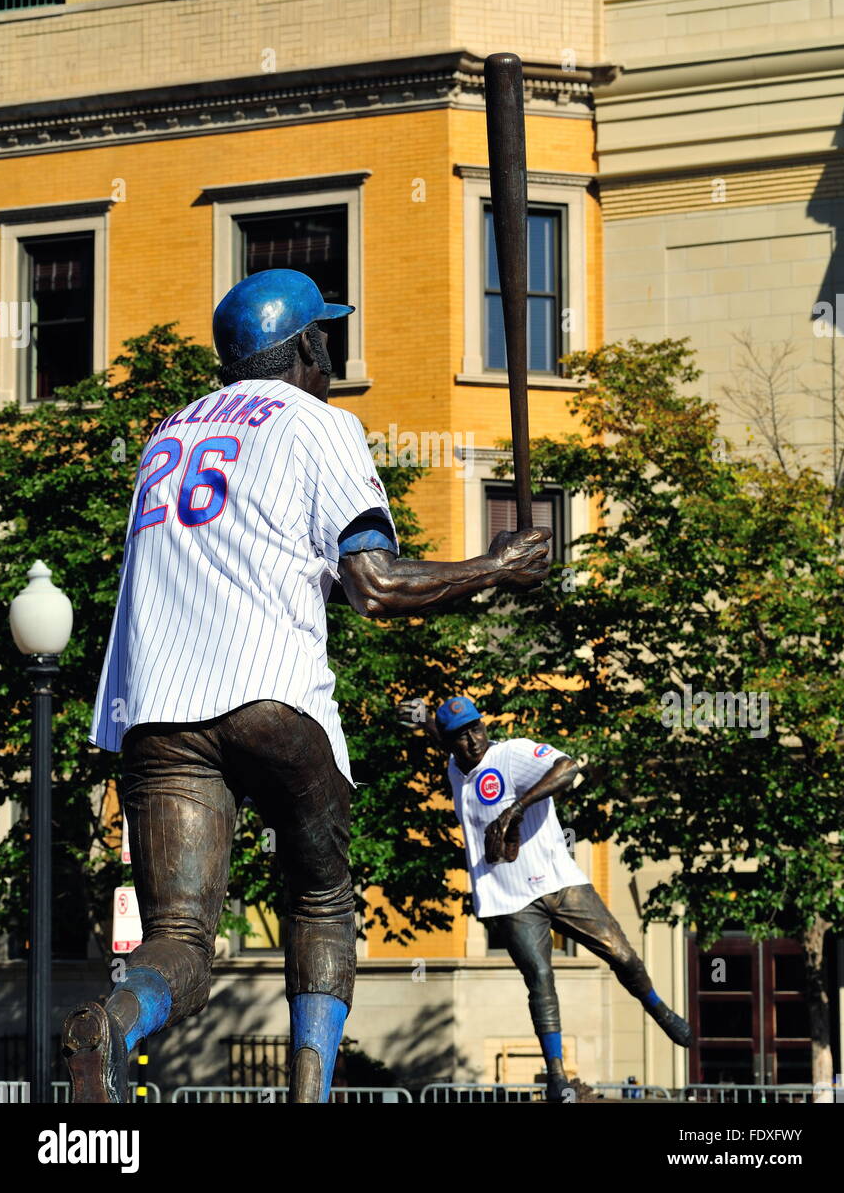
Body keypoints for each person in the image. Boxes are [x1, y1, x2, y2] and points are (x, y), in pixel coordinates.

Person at [62, 268, 552, 1104]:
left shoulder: (165, 434)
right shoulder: (317, 422)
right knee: (322, 891)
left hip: (154, 714)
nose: (333, 352)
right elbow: (377, 586)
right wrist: (496, 569)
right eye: (327, 337)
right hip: (269, 697)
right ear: (305, 349)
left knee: (180, 936)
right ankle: (309, 1097)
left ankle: (114, 1019)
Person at [432, 694, 692, 1102]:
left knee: (622, 955)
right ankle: (557, 1076)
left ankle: (657, 1007)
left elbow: (568, 768)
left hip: (559, 882)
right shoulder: (455, 769)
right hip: (511, 899)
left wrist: (517, 807)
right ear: (448, 746)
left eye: (476, 729)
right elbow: (436, 729)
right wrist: (417, 718)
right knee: (539, 978)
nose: (472, 741)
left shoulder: (511, 754)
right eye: (461, 737)